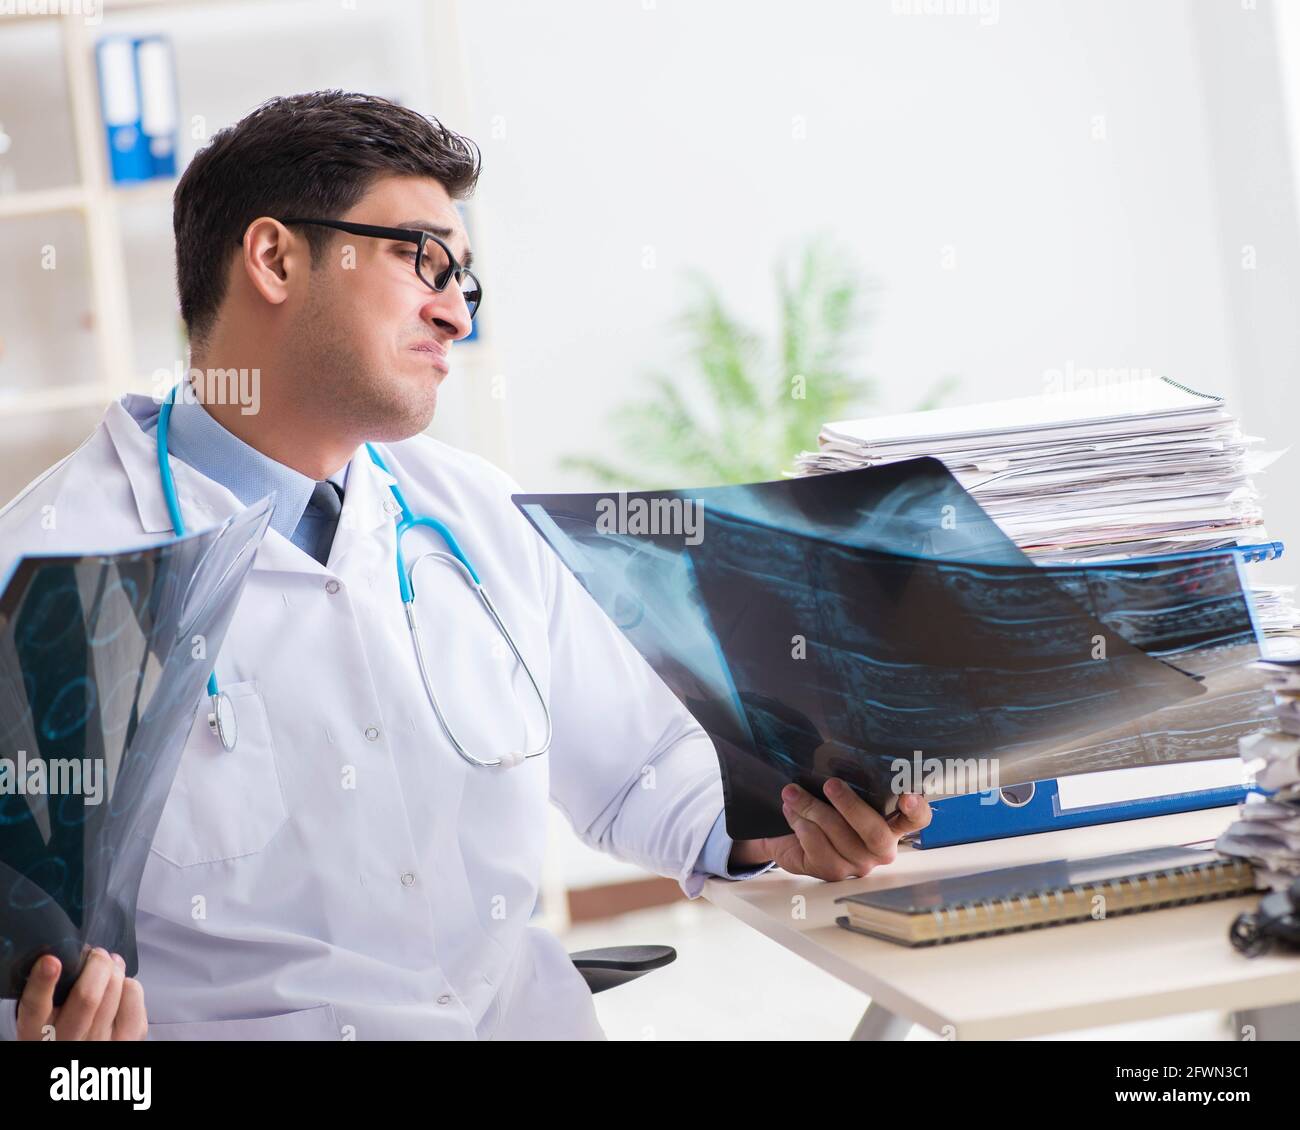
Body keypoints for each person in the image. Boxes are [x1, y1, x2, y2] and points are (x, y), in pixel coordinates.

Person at [0, 91, 930, 1041]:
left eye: (465, 282)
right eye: (423, 262)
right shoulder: (45, 567)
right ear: (275, 258)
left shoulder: (472, 512)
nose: (455, 316)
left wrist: (772, 823)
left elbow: (642, 770)